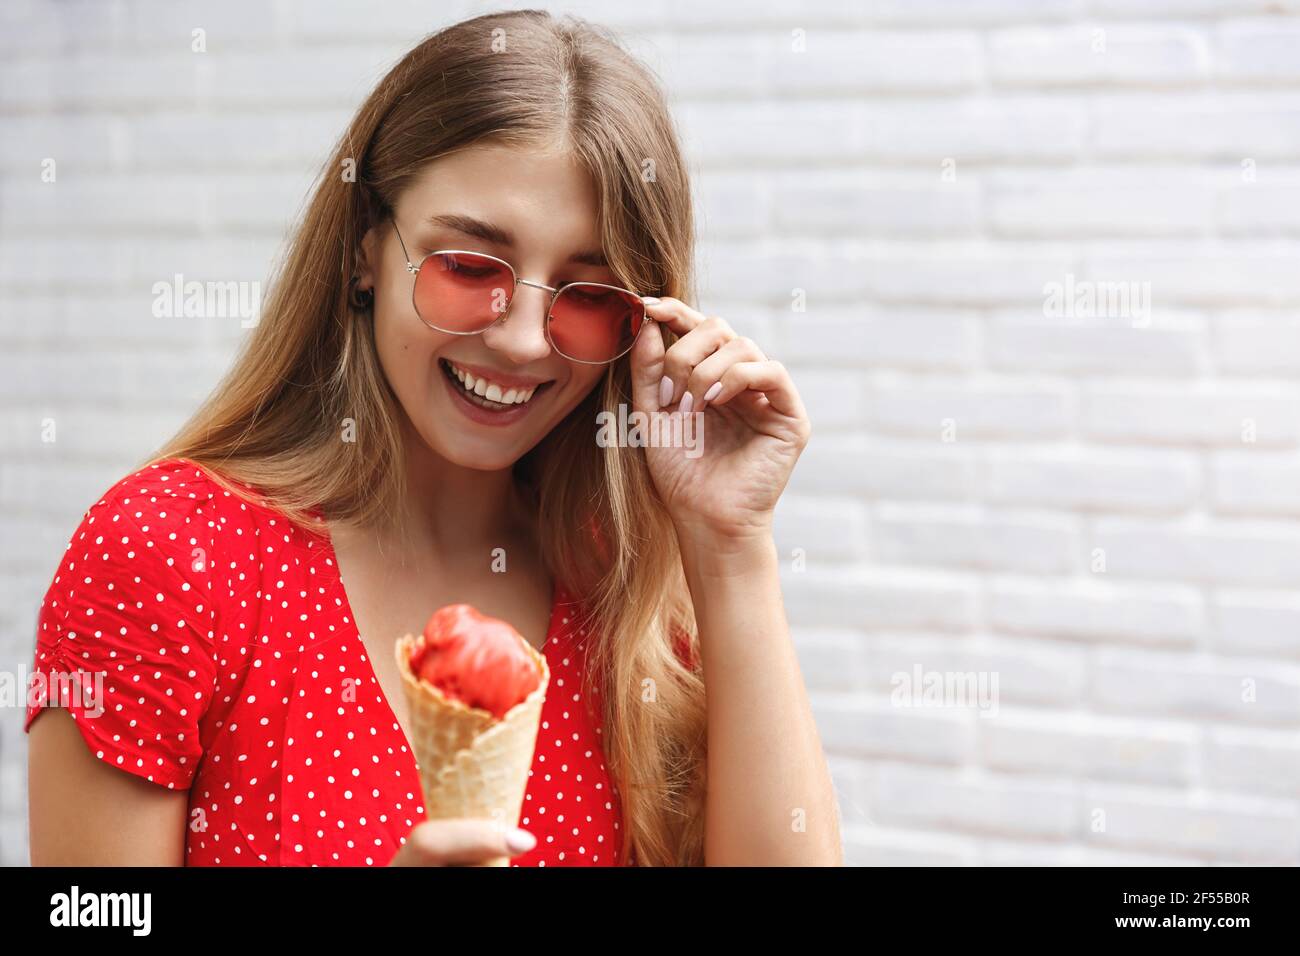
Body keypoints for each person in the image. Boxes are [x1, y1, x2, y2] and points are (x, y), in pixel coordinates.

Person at [25, 9, 838, 867]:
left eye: (589, 295)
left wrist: (732, 545)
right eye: (468, 268)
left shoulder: (629, 592)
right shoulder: (166, 552)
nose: (525, 340)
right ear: (366, 248)